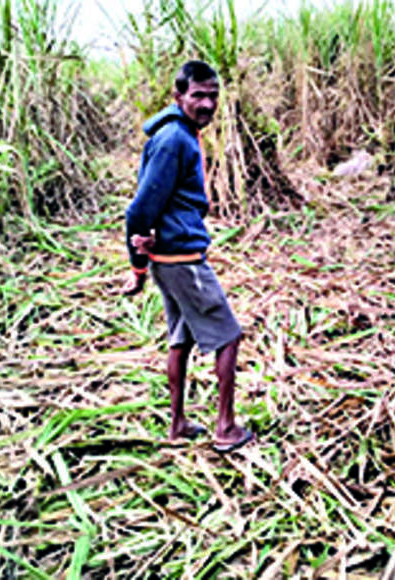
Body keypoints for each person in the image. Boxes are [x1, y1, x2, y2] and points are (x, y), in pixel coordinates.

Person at [120, 60, 254, 453]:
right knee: (228, 337)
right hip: (182, 262)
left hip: (171, 257)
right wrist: (137, 267)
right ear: (178, 97)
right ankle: (226, 429)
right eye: (198, 95)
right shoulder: (174, 140)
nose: (207, 103)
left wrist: (147, 259)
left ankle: (178, 425)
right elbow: (139, 211)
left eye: (213, 95)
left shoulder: (180, 134)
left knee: (181, 339)